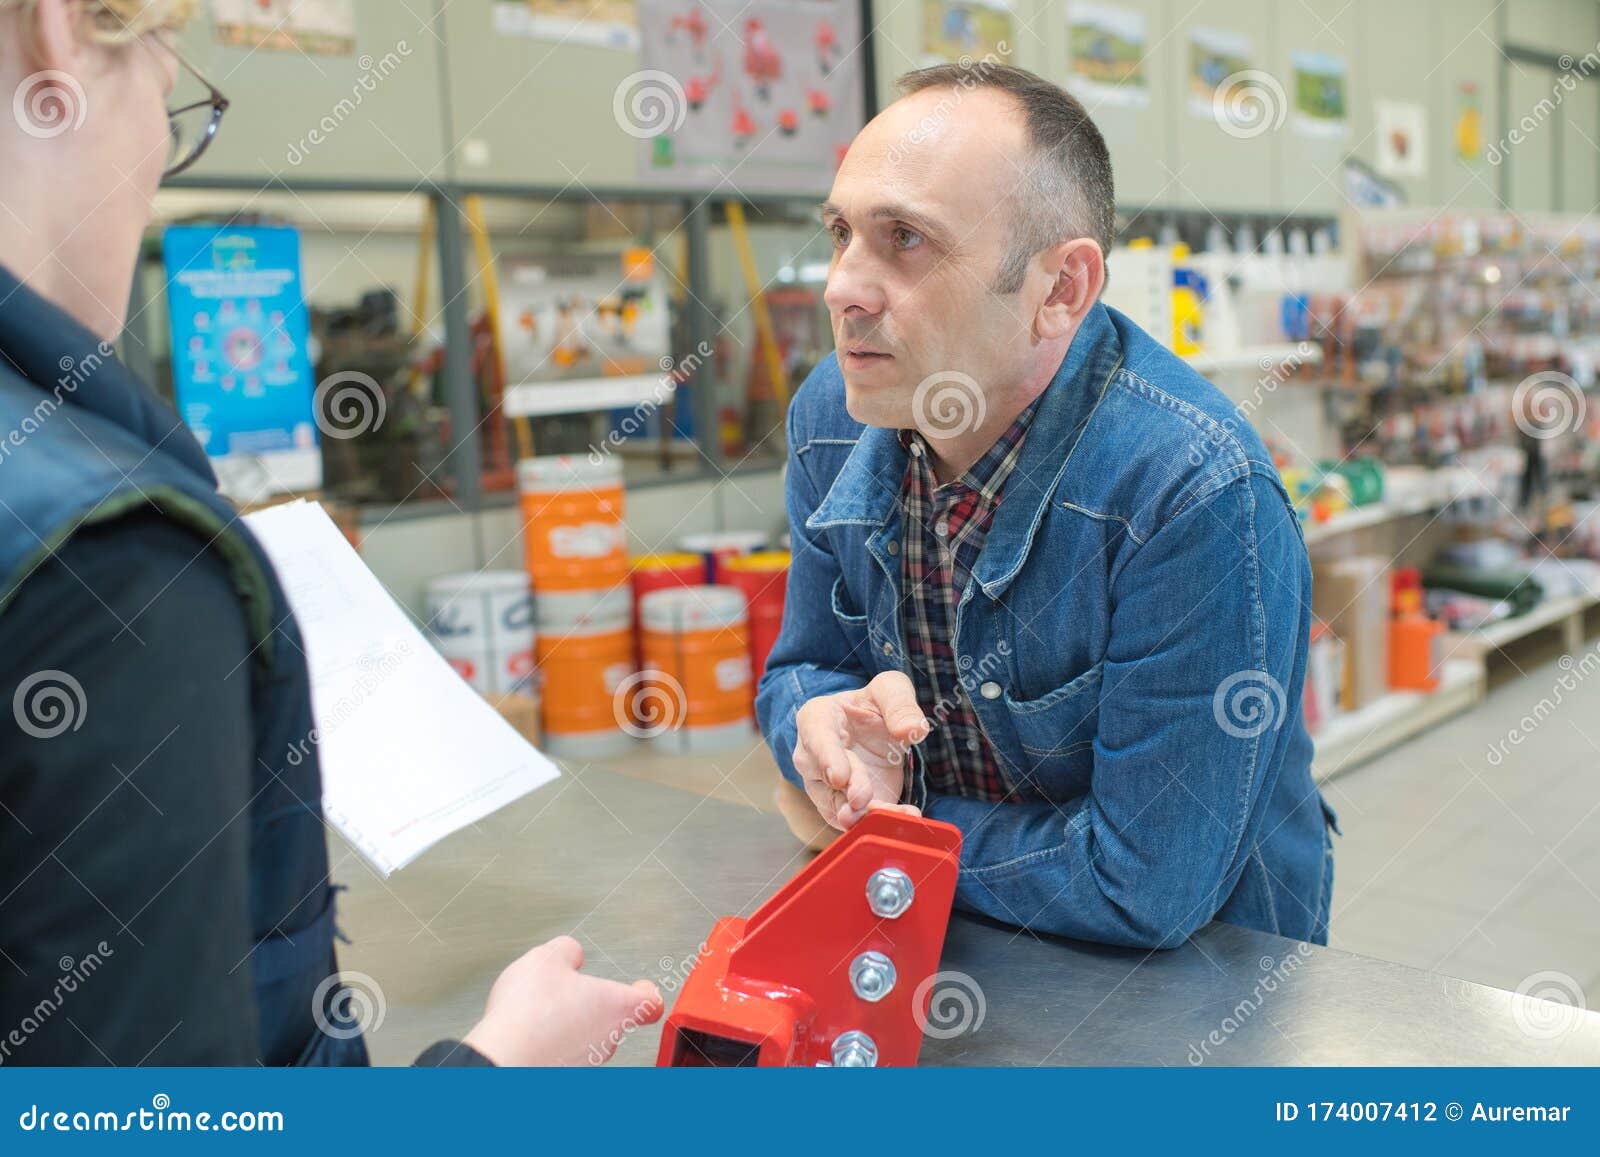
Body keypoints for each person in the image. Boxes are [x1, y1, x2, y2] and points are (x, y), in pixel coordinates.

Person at [0, 0, 659, 1065]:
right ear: (64, 34)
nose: (154, 168)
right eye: (170, 108)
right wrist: (498, 1069)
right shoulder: (114, 564)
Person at [755, 64, 1339, 951]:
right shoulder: (832, 416)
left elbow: (1146, 886)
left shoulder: (1191, 493)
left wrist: (895, 817)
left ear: (1060, 290)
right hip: (950, 934)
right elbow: (801, 666)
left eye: (905, 237)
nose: (842, 286)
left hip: (1200, 990)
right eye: (842, 232)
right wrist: (818, 724)